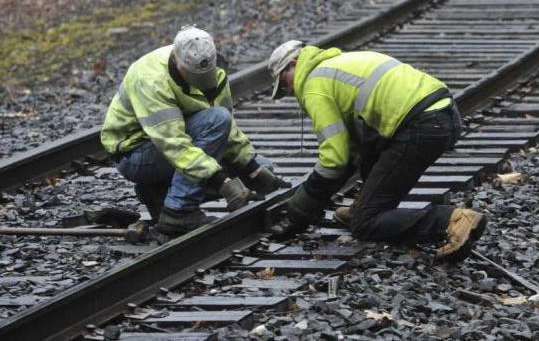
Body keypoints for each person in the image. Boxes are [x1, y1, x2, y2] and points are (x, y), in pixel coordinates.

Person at [268, 40, 487, 261]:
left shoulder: (314, 86)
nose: (288, 91)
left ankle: (452, 220)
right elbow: (355, 150)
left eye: (284, 84)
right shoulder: (338, 63)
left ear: (294, 64)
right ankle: (362, 208)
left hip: (420, 125)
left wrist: (301, 207)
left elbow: (334, 160)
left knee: (365, 225)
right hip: (444, 115)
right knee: (371, 151)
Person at [101, 26, 290, 235]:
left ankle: (159, 191)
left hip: (175, 145)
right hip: (137, 153)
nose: (203, 82)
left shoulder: (215, 68)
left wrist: (252, 168)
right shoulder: (151, 80)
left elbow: (228, 130)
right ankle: (178, 211)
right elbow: (174, 144)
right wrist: (222, 182)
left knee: (261, 166)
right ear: (176, 61)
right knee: (216, 129)